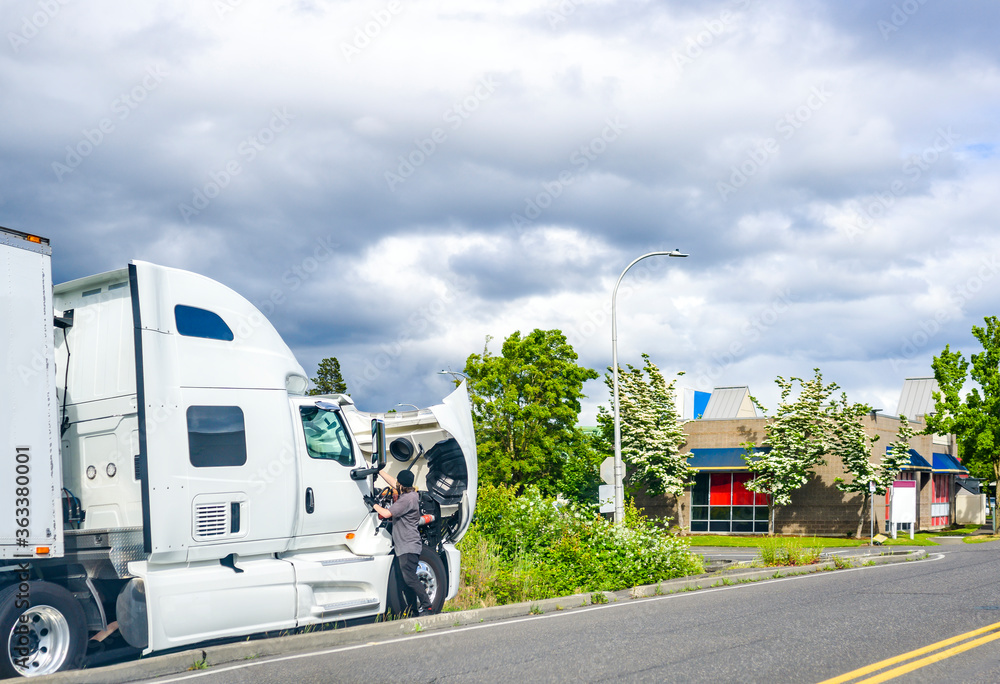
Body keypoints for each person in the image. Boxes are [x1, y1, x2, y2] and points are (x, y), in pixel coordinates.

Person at [372, 469, 433, 615]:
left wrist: (373, 504)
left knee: (410, 579)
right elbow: (393, 482)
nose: (396, 484)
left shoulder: (406, 499)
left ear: (401, 485)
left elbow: (386, 513)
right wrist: (380, 471)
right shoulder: (411, 494)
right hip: (405, 546)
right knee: (405, 581)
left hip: (408, 545)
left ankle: (428, 606)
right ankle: (413, 611)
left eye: (398, 482)